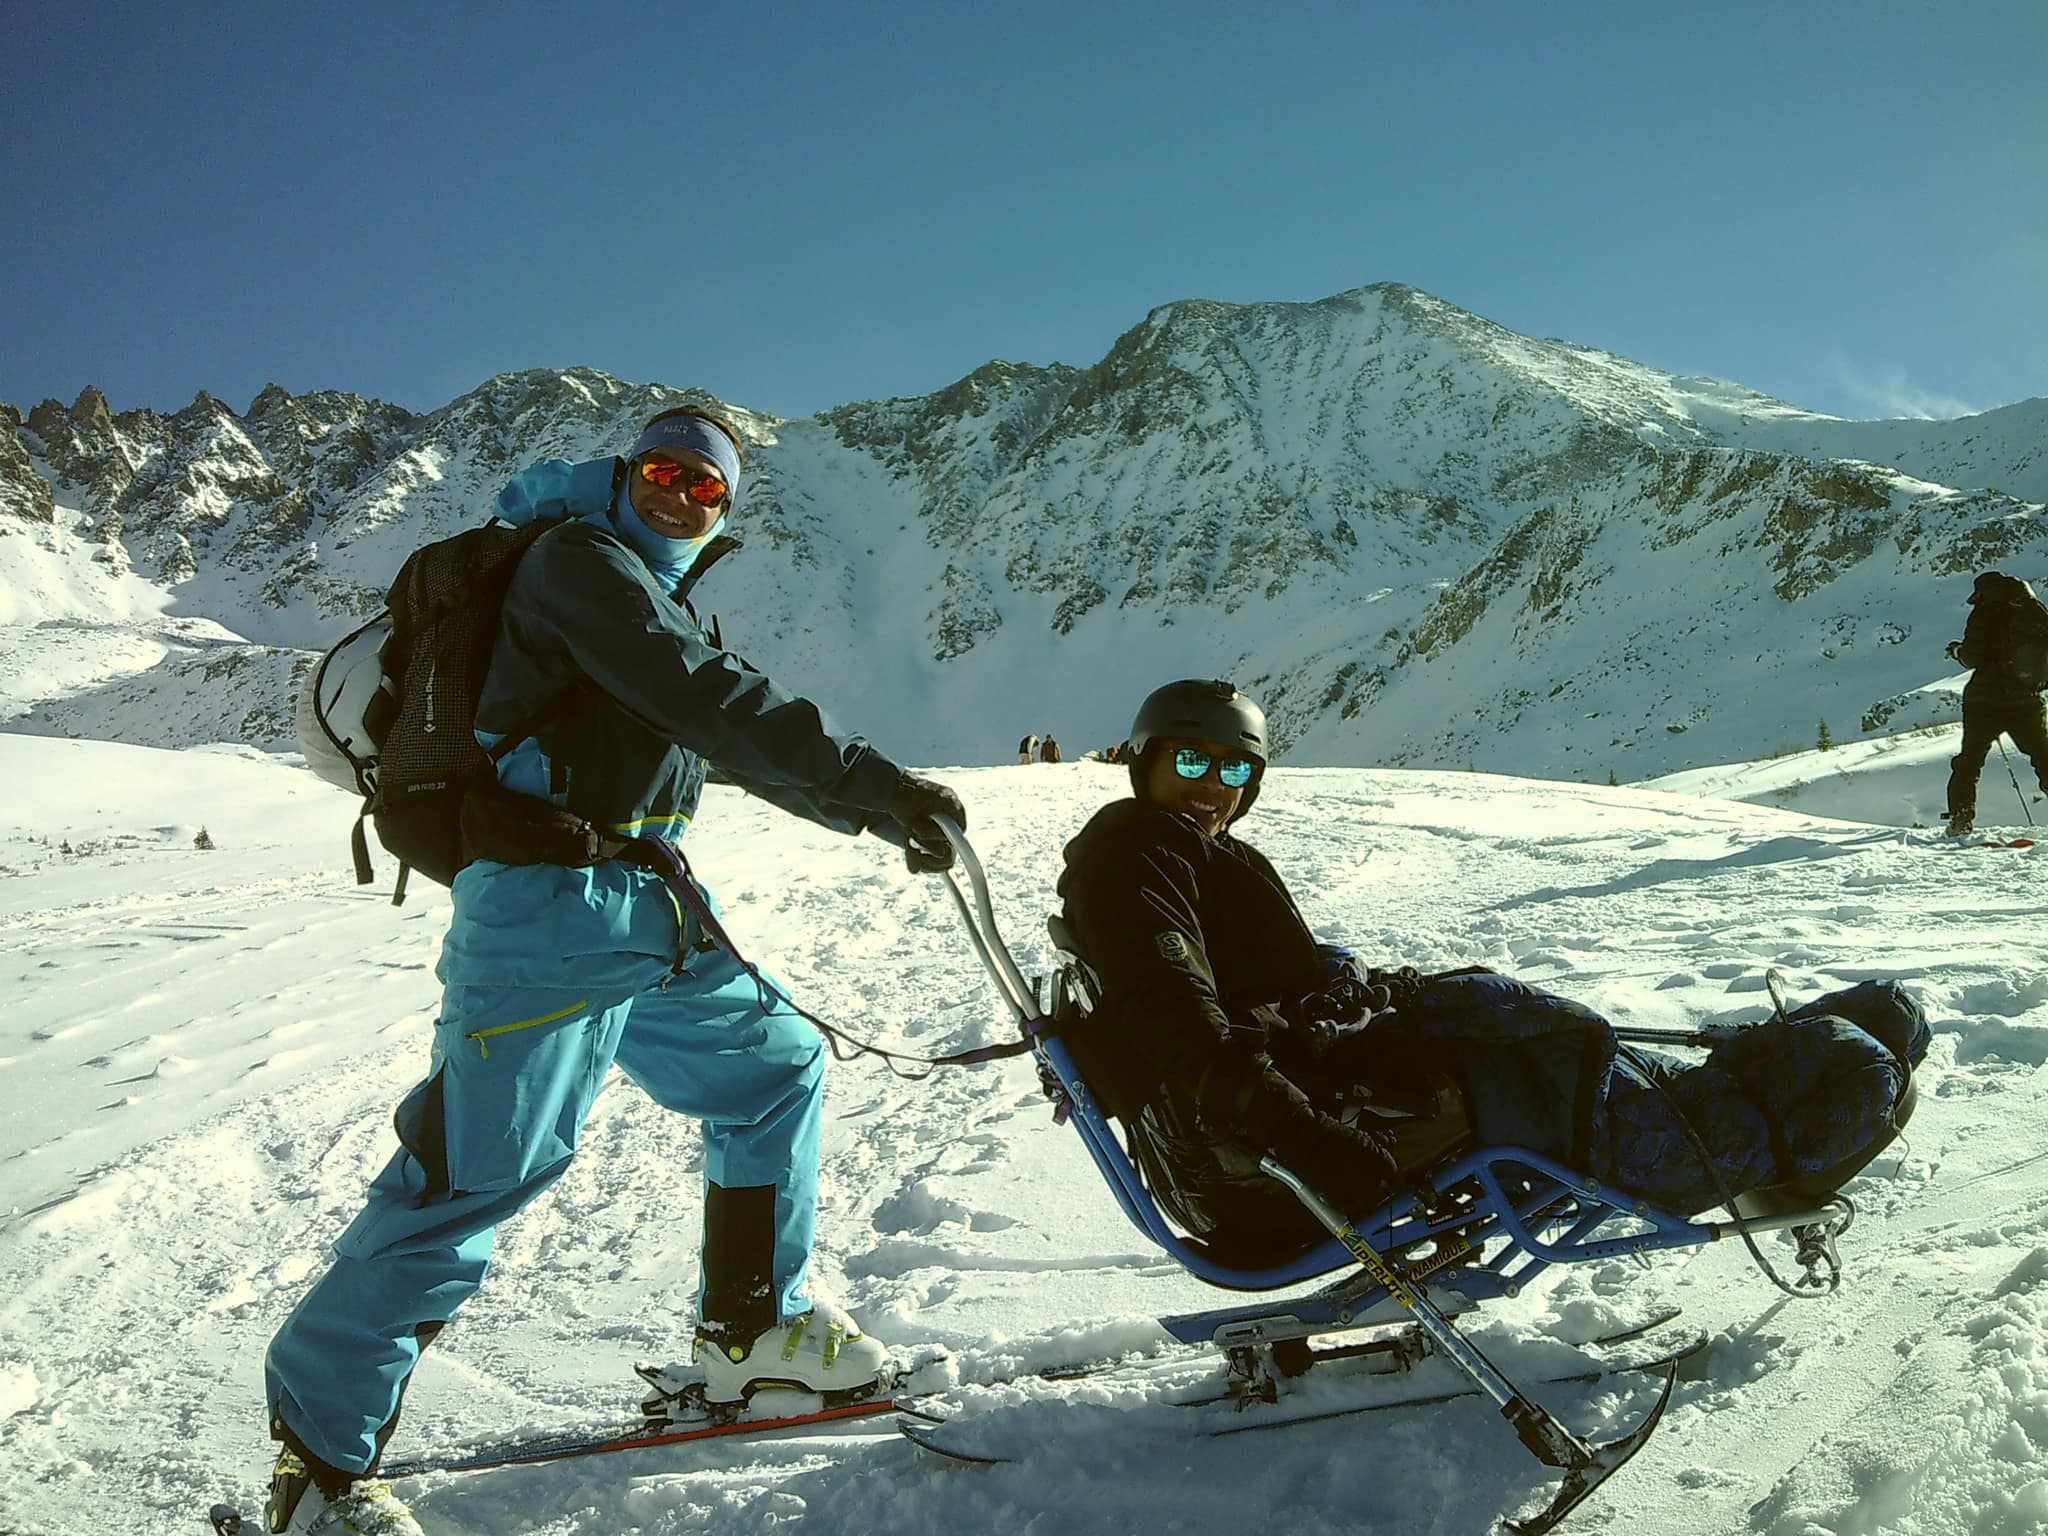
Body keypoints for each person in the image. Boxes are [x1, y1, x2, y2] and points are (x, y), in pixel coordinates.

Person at [260, 407, 966, 1536]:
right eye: (664, 471)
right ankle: (319, 1471)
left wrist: (855, 803)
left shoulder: (636, 580)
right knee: (478, 1173)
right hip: (544, 910)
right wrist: (873, 788)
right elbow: (700, 693)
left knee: (771, 1071)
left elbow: (686, 727)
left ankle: (751, 1333)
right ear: (619, 474)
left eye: (709, 488)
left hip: (640, 903)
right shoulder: (577, 563)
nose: (684, 495)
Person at [1056, 679, 1923, 1268]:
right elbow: (1185, 1031)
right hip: (1323, 1165)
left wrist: (1358, 990)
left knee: (1876, 1018)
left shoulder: (1188, 857)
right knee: (1863, 1059)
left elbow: (1253, 997)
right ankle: (1786, 1114)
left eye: (1237, 768)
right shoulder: (1143, 848)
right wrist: (1322, 1149)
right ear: (1145, 760)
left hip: (1430, 1095)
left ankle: (1778, 1088)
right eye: (1194, 762)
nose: (1216, 787)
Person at [1943, 570, 2048, 836]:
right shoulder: (2034, 609)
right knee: (2043, 755)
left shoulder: (1985, 611)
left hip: (1985, 700)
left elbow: (1974, 656)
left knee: (1969, 761)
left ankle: (1960, 821)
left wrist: (1957, 651)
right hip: (2027, 699)